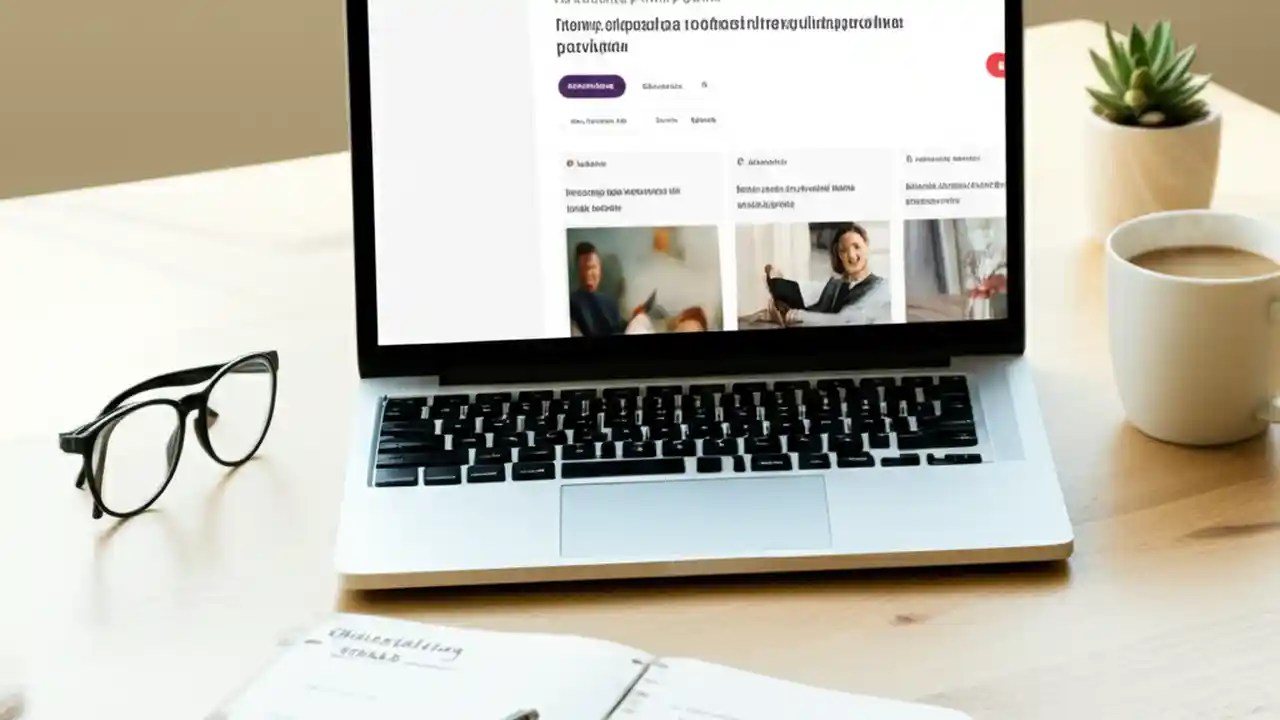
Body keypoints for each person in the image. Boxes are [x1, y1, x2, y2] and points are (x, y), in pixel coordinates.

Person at [767, 223, 891, 327]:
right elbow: (818, 307)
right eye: (843, 251)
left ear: (866, 247)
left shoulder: (880, 287)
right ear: (839, 256)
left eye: (856, 247)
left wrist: (797, 315)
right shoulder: (837, 285)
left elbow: (846, 320)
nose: (852, 255)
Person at [568, 242, 624, 337]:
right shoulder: (571, 304)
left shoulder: (610, 303)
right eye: (583, 269)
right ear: (578, 271)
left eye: (593, 267)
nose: (588, 274)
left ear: (600, 270)